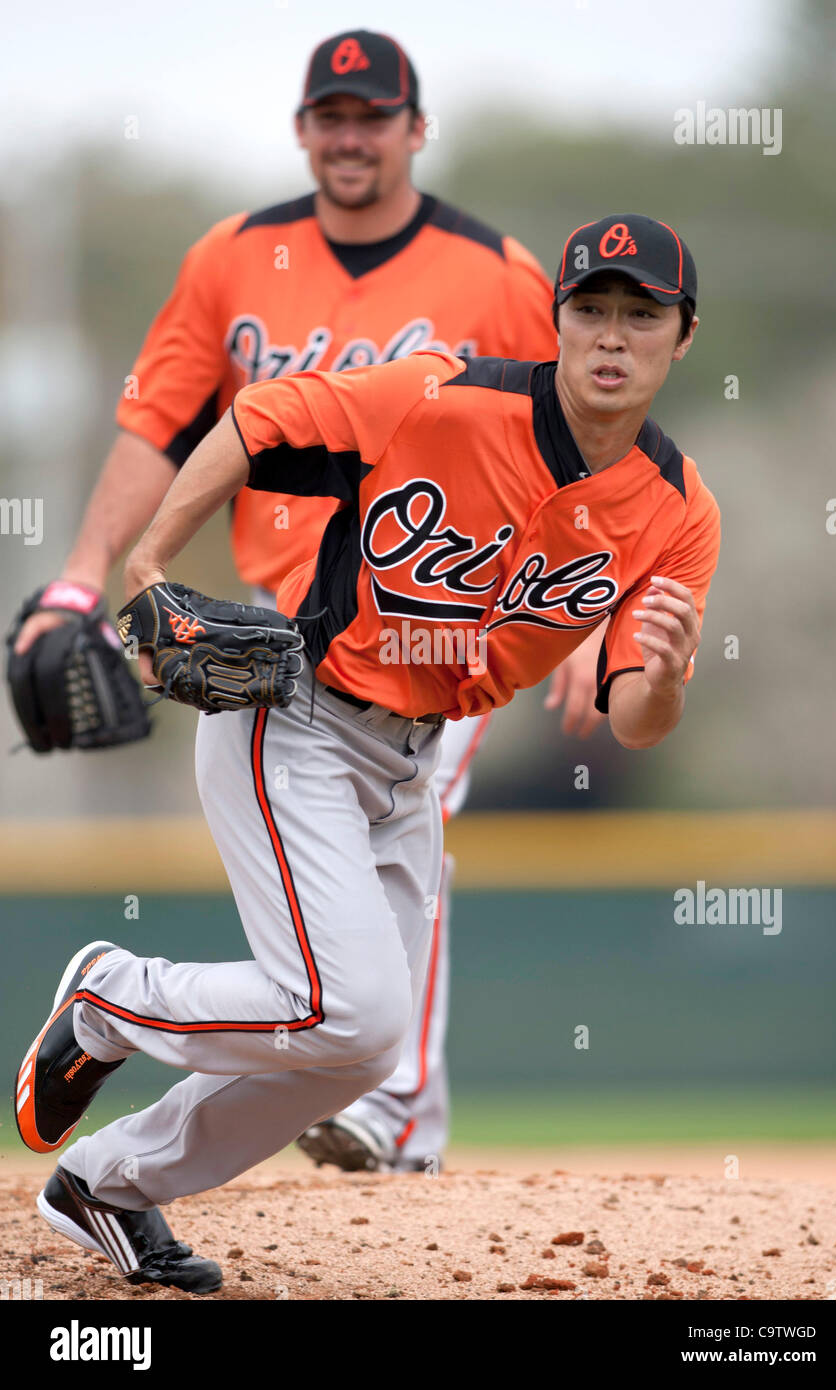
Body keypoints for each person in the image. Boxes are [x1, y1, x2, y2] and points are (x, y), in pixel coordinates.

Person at [17, 213, 720, 1293]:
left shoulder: (676, 511)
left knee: (361, 1049)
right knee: (342, 1008)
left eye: (641, 314)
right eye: (592, 309)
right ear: (558, 320)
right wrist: (148, 559)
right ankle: (112, 998)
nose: (611, 336)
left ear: (682, 338)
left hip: (409, 761)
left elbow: (631, 715)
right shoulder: (445, 393)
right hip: (294, 718)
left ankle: (107, 1183)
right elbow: (259, 418)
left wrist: (666, 677)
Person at [11, 28, 586, 1175]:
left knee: (422, 814)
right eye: (332, 113)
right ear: (301, 128)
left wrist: (594, 613)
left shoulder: (497, 275)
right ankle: (322, 1082)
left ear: (415, 130)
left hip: (441, 612)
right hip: (276, 626)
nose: (350, 133)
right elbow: (155, 422)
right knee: (338, 885)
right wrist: (82, 575)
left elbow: (575, 441)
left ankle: (388, 1108)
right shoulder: (233, 257)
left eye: (373, 115)